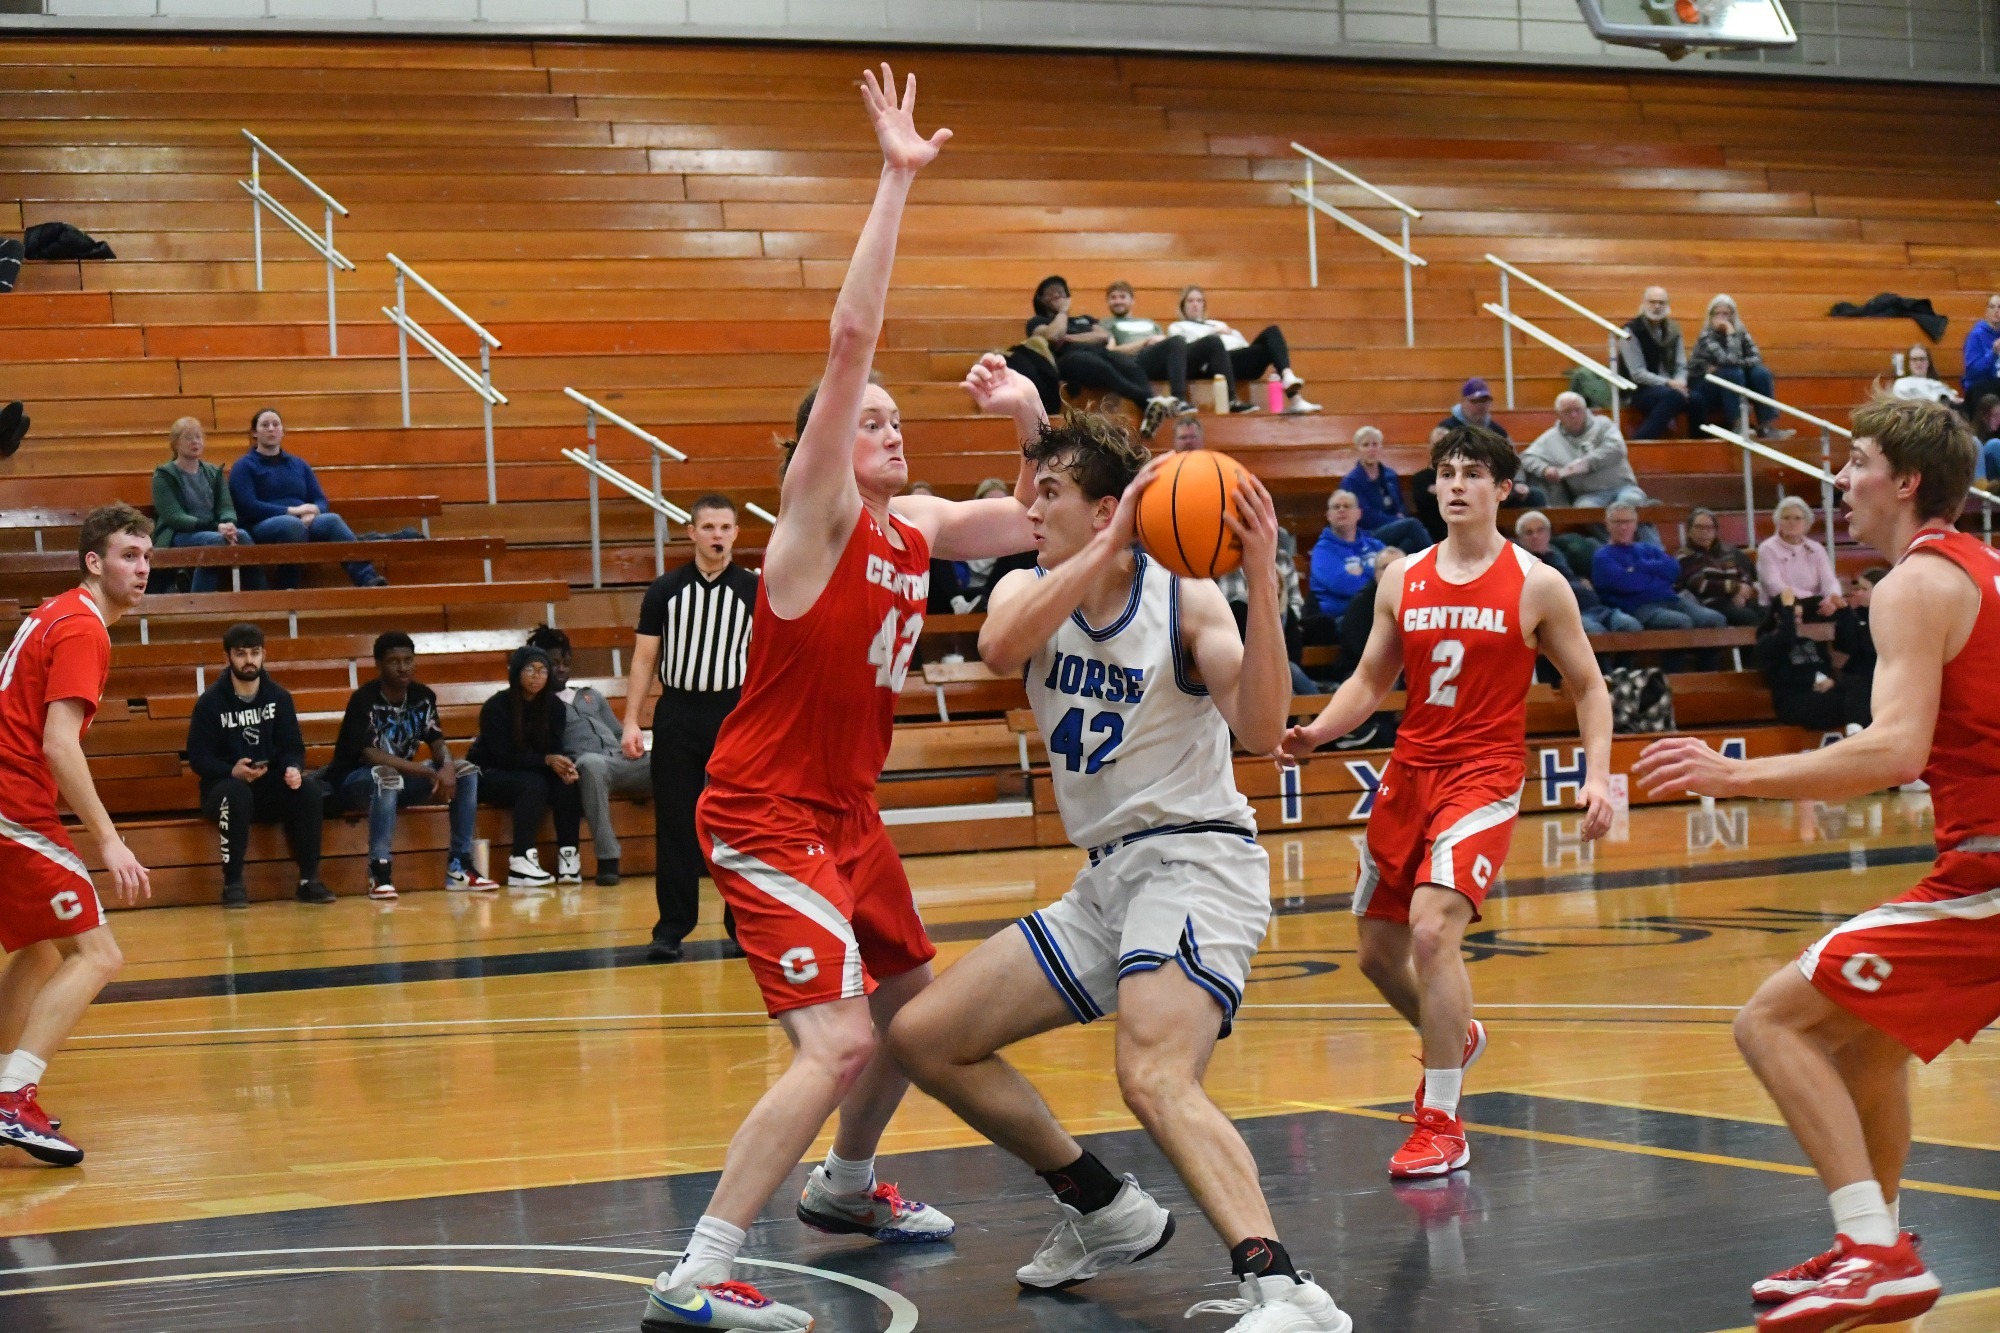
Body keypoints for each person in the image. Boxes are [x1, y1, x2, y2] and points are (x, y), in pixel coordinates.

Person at [637, 68, 1046, 1331]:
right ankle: (696, 1272)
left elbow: (1036, 520)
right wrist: (893, 179)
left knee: (909, 1015)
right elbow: (850, 339)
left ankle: (848, 1186)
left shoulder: (914, 523)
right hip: (766, 812)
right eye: (865, 421)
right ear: (821, 440)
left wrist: (1029, 412)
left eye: (893, 419)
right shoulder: (810, 522)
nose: (888, 427)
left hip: (847, 815)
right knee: (838, 1043)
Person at [887, 416, 1351, 1333]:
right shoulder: (1026, 586)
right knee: (925, 1036)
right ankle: (1103, 1206)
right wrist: (1101, 547)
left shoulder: (1186, 601)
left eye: (1051, 492)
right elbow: (998, 649)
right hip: (1106, 881)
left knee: (1154, 1071)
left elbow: (1263, 728)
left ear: (1107, 508)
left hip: (1195, 858)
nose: (1030, 507)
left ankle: (1288, 1291)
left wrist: (1259, 579)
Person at [1634, 396, 1991, 1333]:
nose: (1839, 477)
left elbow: (1895, 750)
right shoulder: (1981, 569)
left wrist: (1733, 773)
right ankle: (1877, 1237)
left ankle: (1875, 1253)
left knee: (1770, 1021)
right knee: (1868, 1036)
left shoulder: (1916, 583)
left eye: (1857, 459)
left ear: (1906, 481)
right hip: (1980, 866)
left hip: (1991, 876)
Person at [1282, 424, 1614, 1180]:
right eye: (1446, 473)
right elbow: (1371, 679)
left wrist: (1597, 775)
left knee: (1432, 933)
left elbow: (1589, 686)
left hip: (1484, 775)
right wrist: (1319, 732)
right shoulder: (1402, 578)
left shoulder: (1537, 582)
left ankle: (1441, 1121)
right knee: (1377, 956)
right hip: (1409, 773)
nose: (1457, 485)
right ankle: (1455, 1033)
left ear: (1503, 488)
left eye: (1473, 473)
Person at [0, 504, 152, 1167]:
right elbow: (58, 744)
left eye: (147, 557)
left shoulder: (54, 612)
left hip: (10, 795)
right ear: (94, 561)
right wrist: (110, 839)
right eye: (128, 555)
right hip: (11, 801)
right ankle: (12, 1098)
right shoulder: (83, 627)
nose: (142, 568)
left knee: (40, 950)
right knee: (98, 953)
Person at [619, 496, 759, 960]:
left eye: (726, 527)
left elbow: (769, 660)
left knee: (737, 825)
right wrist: (631, 721)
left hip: (733, 716)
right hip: (677, 714)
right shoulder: (666, 589)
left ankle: (742, 926)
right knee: (675, 823)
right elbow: (644, 659)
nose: (718, 535)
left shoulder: (755, 590)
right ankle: (671, 929)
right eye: (709, 527)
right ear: (692, 532)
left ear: (736, 533)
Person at [325, 631, 492, 899]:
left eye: (408, 660)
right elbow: (372, 755)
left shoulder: (422, 696)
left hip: (400, 782)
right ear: (379, 665)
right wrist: (427, 771)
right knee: (386, 776)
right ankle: (379, 870)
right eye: (394, 661)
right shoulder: (364, 700)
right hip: (355, 783)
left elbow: (437, 741)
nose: (403, 667)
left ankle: (459, 864)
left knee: (466, 771)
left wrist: (448, 766)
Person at [186, 622, 332, 908]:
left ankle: (309, 880)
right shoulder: (210, 703)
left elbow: (292, 746)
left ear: (264, 654)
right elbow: (199, 758)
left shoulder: (279, 697)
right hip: (222, 788)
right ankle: (232, 884)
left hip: (267, 785)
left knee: (309, 791)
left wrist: (292, 768)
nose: (249, 660)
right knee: (236, 793)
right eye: (241, 654)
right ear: (228, 657)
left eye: (254, 653)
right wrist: (231, 771)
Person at [527, 625, 647, 889]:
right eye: (554, 663)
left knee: (677, 761)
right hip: (587, 763)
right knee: (592, 764)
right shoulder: (540, 705)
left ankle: (699, 850)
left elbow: (619, 732)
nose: (561, 669)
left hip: (621, 759)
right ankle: (608, 859)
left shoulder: (591, 695)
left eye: (566, 662)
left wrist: (634, 747)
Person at [227, 408, 386, 590]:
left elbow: (320, 499)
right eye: (265, 425)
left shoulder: (298, 464)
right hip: (261, 525)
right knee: (291, 525)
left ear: (282, 431)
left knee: (332, 520)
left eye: (276, 424)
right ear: (255, 433)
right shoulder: (243, 466)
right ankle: (287, 588)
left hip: (303, 521)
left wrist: (314, 511)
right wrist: (291, 512)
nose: (271, 429)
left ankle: (368, 580)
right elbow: (247, 505)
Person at [467, 646, 582, 890]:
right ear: (517, 672)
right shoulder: (496, 706)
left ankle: (569, 856)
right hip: (490, 774)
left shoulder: (554, 707)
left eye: (542, 670)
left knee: (565, 783)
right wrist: (546, 761)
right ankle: (521, 859)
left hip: (530, 771)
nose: (536, 676)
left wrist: (564, 766)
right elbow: (503, 757)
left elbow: (554, 749)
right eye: (530, 669)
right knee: (533, 784)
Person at [1027, 275, 1179, 437]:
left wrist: (1067, 338)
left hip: (1101, 353)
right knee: (1100, 366)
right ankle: (1147, 401)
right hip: (1070, 359)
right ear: (1041, 300)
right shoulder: (1038, 321)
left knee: (1128, 364)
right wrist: (1063, 312)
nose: (1057, 296)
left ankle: (1149, 406)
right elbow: (1053, 336)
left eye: (1060, 292)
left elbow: (1103, 336)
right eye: (1051, 293)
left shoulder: (1084, 319)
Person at [1168, 285, 1320, 414]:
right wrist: (1213, 333)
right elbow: (1186, 353)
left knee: (1272, 332)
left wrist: (1230, 333)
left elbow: (1243, 345)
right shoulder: (1177, 327)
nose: (1195, 304)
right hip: (1214, 365)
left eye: (1199, 300)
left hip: (1239, 361)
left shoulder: (1217, 323)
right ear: (1183, 306)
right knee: (1215, 343)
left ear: (1204, 305)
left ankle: (1290, 383)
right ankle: (1236, 400)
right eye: (1190, 301)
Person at [149, 417, 257, 594]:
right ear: (175, 443)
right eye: (188, 437)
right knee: (215, 541)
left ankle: (259, 595)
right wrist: (216, 527)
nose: (195, 442)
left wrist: (229, 523)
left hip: (215, 529)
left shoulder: (213, 472)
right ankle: (199, 599)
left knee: (242, 536)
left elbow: (226, 506)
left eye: (199, 437)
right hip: (178, 534)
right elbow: (174, 517)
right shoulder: (163, 475)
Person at [1592, 502, 1728, 633]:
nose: (1623, 527)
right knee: (1681, 622)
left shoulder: (1647, 548)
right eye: (1617, 522)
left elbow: (1674, 569)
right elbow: (1626, 584)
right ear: (1607, 525)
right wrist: (1658, 577)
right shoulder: (1603, 556)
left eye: (1628, 522)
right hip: (1638, 607)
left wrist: (1640, 568)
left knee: (1715, 619)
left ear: (1635, 525)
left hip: (1671, 599)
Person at [1757, 592, 1867, 735]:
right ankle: (1857, 732)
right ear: (1779, 617)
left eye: (1800, 617)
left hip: (1820, 695)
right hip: (1793, 700)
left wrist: (1831, 682)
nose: (1798, 622)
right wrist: (1787, 612)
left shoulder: (1808, 642)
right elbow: (1785, 640)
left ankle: (1856, 730)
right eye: (1795, 617)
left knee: (1860, 688)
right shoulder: (1768, 643)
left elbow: (1826, 667)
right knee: (1850, 704)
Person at [1514, 510, 1640, 634]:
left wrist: (1580, 580)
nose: (1535, 536)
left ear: (1548, 533)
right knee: (1596, 632)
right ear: (1521, 539)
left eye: (1540, 530)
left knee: (1631, 625)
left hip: (1596, 608)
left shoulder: (1556, 553)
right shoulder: (1520, 562)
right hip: (1570, 615)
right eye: (1529, 533)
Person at [1104, 280, 1216, 416]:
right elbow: (1109, 352)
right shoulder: (1106, 324)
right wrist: (1144, 343)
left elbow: (1166, 345)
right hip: (1134, 363)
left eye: (1122, 297)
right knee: (1176, 340)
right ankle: (1179, 400)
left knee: (1186, 341)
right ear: (1108, 301)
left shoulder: (1150, 323)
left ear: (1132, 300)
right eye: (1113, 297)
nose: (1118, 301)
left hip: (1156, 361)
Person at [1690, 294, 1793, 441]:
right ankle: (1738, 425)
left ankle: (1766, 426)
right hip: (1704, 386)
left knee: (1760, 373)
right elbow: (1728, 360)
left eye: (1726, 314)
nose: (1722, 318)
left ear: (1733, 315)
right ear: (1710, 316)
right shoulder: (1706, 336)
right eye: (1717, 314)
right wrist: (1730, 334)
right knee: (1732, 373)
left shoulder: (1741, 332)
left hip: (1734, 380)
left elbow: (1756, 357)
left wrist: (1733, 364)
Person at [1520, 392, 1650, 508]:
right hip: (1588, 495)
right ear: (1558, 415)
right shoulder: (1550, 438)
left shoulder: (1604, 424)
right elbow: (1526, 458)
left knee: (1629, 502)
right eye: (1567, 411)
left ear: (1585, 410)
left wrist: (1586, 464)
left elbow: (1616, 448)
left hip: (1623, 487)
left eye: (1578, 410)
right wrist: (1545, 469)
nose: (1574, 415)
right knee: (1584, 509)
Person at [1618, 286, 1701, 440]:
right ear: (1644, 304)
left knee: (1697, 399)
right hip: (1639, 390)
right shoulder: (1631, 331)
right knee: (1674, 397)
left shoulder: (1674, 329)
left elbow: (1681, 365)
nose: (1657, 306)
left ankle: (1698, 444)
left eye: (1661, 303)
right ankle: (1640, 441)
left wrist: (1680, 382)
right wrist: (1669, 383)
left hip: (1671, 387)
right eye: (1652, 302)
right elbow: (1637, 373)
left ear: (1667, 305)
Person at [1342, 426, 1432, 552]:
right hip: (1368, 533)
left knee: (1411, 543)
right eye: (1366, 445)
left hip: (1394, 529)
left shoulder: (1390, 475)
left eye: (1375, 444)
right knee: (1412, 525)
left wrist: (1400, 518)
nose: (1371, 449)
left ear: (1380, 448)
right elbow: (1365, 516)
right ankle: (1437, 561)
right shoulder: (1351, 481)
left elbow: (1400, 505)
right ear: (1358, 449)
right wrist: (1397, 521)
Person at [1756, 496, 1845, 619]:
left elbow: (1829, 580)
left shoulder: (1816, 548)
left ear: (1807, 523)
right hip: (1781, 603)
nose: (1792, 522)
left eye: (1797, 518)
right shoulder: (1767, 548)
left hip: (1815, 603)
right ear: (1778, 522)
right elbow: (1773, 585)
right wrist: (1810, 598)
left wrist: (1832, 596)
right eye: (1786, 518)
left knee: (1844, 611)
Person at [1678, 506, 1763, 627]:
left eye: (1709, 527)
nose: (1704, 531)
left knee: (1768, 613)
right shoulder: (1685, 555)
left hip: (1736, 599)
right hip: (1709, 604)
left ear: (1715, 531)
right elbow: (1701, 585)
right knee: (1748, 618)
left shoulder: (1726, 552)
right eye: (1699, 527)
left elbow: (1743, 574)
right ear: (1689, 531)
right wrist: (1736, 588)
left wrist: (1742, 591)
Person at [1308, 491, 1386, 621]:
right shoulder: (1322, 551)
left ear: (1358, 513)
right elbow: (1344, 586)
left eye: (1347, 506)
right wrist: (1376, 573)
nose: (1341, 510)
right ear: (1329, 516)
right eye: (1336, 507)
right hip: (1342, 618)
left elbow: (1395, 574)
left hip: (1378, 612)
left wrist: (1363, 570)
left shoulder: (1374, 545)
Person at [1830, 568, 1886, 729]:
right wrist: (1844, 615)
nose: (1858, 592)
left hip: (1882, 672)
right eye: (1857, 588)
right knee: (1858, 683)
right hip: (1860, 675)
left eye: (1864, 589)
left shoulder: (1893, 615)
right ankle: (1855, 729)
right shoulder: (1854, 614)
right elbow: (1846, 647)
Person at [1960, 292, 2000, 409]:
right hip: (1980, 387)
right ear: (1986, 311)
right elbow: (1972, 371)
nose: (1996, 311)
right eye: (1992, 307)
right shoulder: (1976, 335)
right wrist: (1993, 354)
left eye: (1999, 307)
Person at [1889, 344, 1960, 407]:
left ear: (1928, 362)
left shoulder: (1938, 384)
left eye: (1922, 359)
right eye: (1914, 359)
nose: (1918, 363)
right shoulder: (1901, 383)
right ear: (1908, 363)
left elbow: (1953, 400)